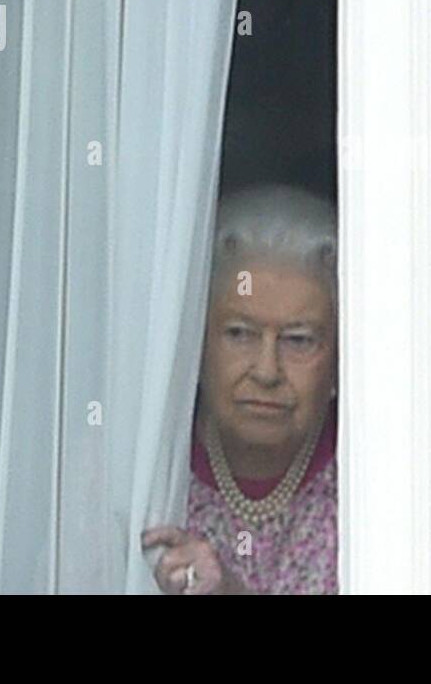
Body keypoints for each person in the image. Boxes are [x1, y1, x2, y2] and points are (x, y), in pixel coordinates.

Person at [142, 184, 338, 595]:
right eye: (239, 334)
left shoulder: (378, 482)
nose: (267, 371)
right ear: (195, 345)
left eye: (298, 340)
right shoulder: (136, 475)